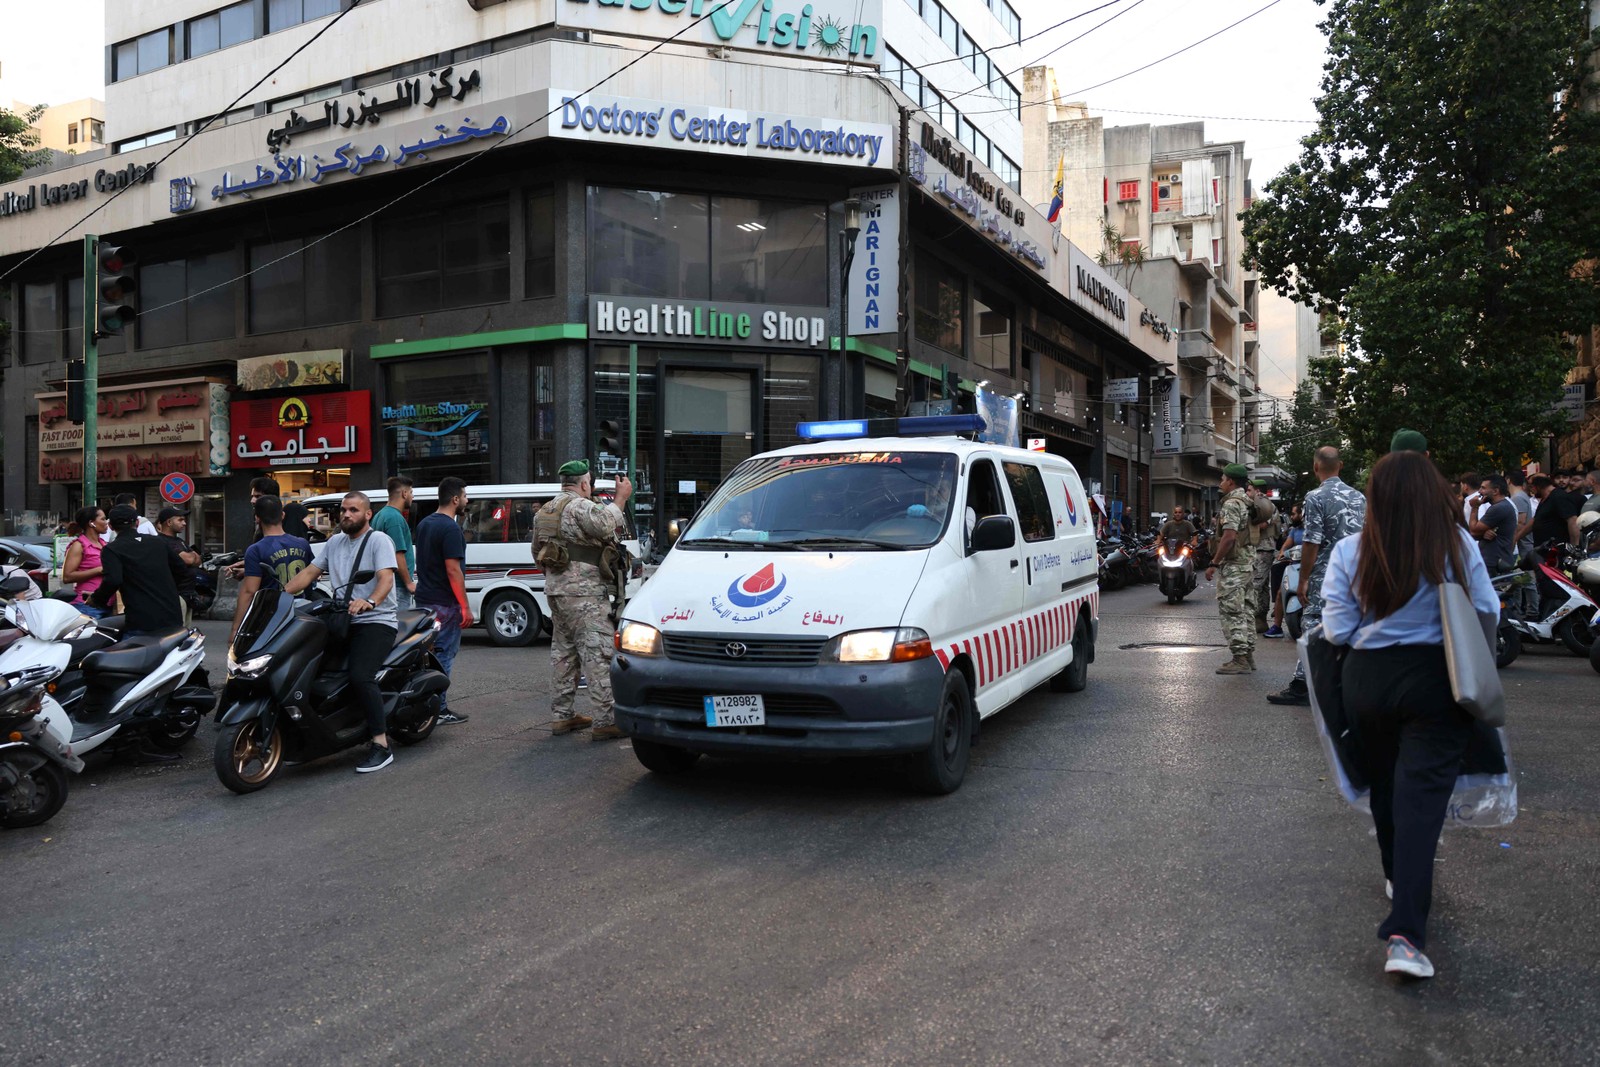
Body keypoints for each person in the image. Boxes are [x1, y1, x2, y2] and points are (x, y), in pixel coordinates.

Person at [1319, 450, 1499, 980]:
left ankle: (1398, 877)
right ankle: (1405, 937)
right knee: (1421, 802)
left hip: (1367, 681)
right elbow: (1487, 611)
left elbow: (1336, 630)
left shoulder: (1352, 551)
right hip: (1439, 680)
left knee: (1384, 785)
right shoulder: (1457, 545)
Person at [283, 492, 400, 774]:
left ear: (367, 514)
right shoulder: (334, 542)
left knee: (361, 676)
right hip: (341, 619)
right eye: (344, 510)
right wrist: (278, 595)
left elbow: (386, 578)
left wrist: (369, 600)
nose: (346, 515)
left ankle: (381, 745)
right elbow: (310, 573)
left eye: (354, 510)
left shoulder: (378, 541)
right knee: (303, 665)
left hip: (376, 620)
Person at [531, 460, 632, 740]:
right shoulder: (580, 506)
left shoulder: (545, 511)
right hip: (585, 594)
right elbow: (605, 523)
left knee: (563, 653)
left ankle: (562, 716)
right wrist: (621, 498)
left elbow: (537, 551)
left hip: (556, 592)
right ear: (584, 483)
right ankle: (606, 720)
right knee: (597, 654)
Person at [1268, 447, 1367, 705]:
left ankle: (1302, 685)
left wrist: (1304, 579)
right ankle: (1349, 682)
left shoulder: (1314, 497)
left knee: (1312, 621)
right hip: (1357, 572)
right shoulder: (1359, 497)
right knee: (1349, 622)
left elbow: (1312, 540)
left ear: (1315, 468)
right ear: (1341, 465)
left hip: (1327, 573)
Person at [414, 476, 473, 726]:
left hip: (424, 599)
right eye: (465, 496)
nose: (467, 501)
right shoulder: (450, 528)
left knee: (426, 657)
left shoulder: (425, 523)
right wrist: (465, 606)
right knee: (444, 655)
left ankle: (425, 705)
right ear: (455, 499)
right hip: (444, 603)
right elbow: (453, 570)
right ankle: (439, 708)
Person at [90, 505, 187, 636]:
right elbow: (181, 569)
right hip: (171, 615)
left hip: (141, 619)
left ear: (111, 526)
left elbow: (113, 580)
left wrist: (96, 599)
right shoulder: (158, 542)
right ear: (136, 523)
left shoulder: (112, 549)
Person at [229, 496, 314, 644]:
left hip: (271, 614)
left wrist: (236, 630)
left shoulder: (256, 550)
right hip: (302, 612)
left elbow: (249, 592)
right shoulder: (302, 544)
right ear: (282, 515)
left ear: (257, 518)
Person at [1205, 464, 1257, 674]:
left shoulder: (1231, 504)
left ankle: (1240, 659)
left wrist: (1214, 563)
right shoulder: (1247, 501)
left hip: (1234, 567)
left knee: (1232, 611)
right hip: (1246, 565)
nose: (1221, 482)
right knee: (1246, 611)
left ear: (1231, 482)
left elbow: (1229, 537)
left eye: (1223, 479)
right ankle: (1248, 655)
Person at [372, 475, 417, 610]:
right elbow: (397, 554)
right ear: (404, 493)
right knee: (399, 628)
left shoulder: (380, 515)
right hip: (396, 587)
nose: (412, 497)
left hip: (387, 584)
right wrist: (408, 583)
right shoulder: (394, 518)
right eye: (411, 492)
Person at [156, 506, 202, 622]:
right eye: (180, 520)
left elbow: (198, 560)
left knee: (186, 633)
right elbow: (190, 560)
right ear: (169, 522)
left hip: (187, 595)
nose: (184, 523)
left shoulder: (179, 541)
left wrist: (192, 557)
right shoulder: (162, 541)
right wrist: (192, 556)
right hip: (176, 596)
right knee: (176, 633)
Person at [62, 506, 109, 619]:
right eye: (103, 519)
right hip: (86, 606)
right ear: (91, 523)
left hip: (107, 604)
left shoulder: (104, 544)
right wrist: (98, 570)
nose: (106, 522)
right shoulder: (79, 545)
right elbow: (67, 577)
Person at [1248, 482, 1281, 633]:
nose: (1247, 493)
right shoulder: (1256, 505)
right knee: (1261, 586)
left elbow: (1262, 525)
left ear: (1257, 490)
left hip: (1264, 548)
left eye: (1249, 490)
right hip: (1256, 547)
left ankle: (1253, 617)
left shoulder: (1266, 506)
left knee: (1256, 584)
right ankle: (1260, 620)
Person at [1468, 475, 1517, 575]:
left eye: (1483, 488)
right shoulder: (1500, 506)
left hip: (1494, 563)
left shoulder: (1499, 508)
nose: (1480, 492)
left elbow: (1473, 531)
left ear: (1495, 491)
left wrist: (1474, 507)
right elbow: (1475, 533)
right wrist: (1482, 534)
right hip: (1494, 561)